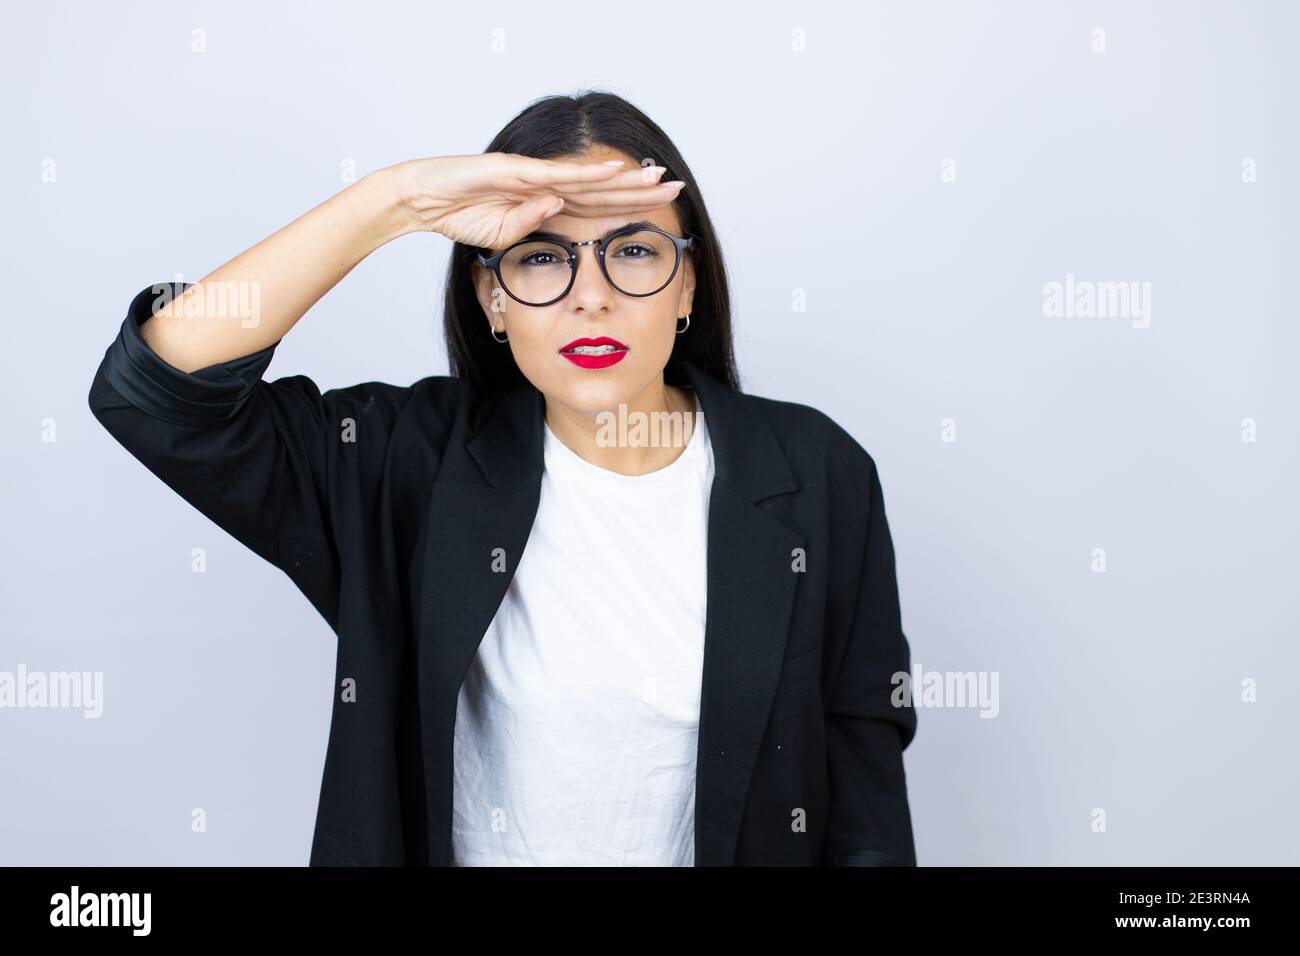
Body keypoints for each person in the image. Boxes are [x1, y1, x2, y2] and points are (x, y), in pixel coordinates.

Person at [88, 90, 918, 866]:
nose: (590, 297)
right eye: (540, 259)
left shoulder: (819, 476)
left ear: (689, 284)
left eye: (633, 249)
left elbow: (864, 812)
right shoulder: (407, 464)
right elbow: (159, 395)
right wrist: (395, 202)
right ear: (492, 298)